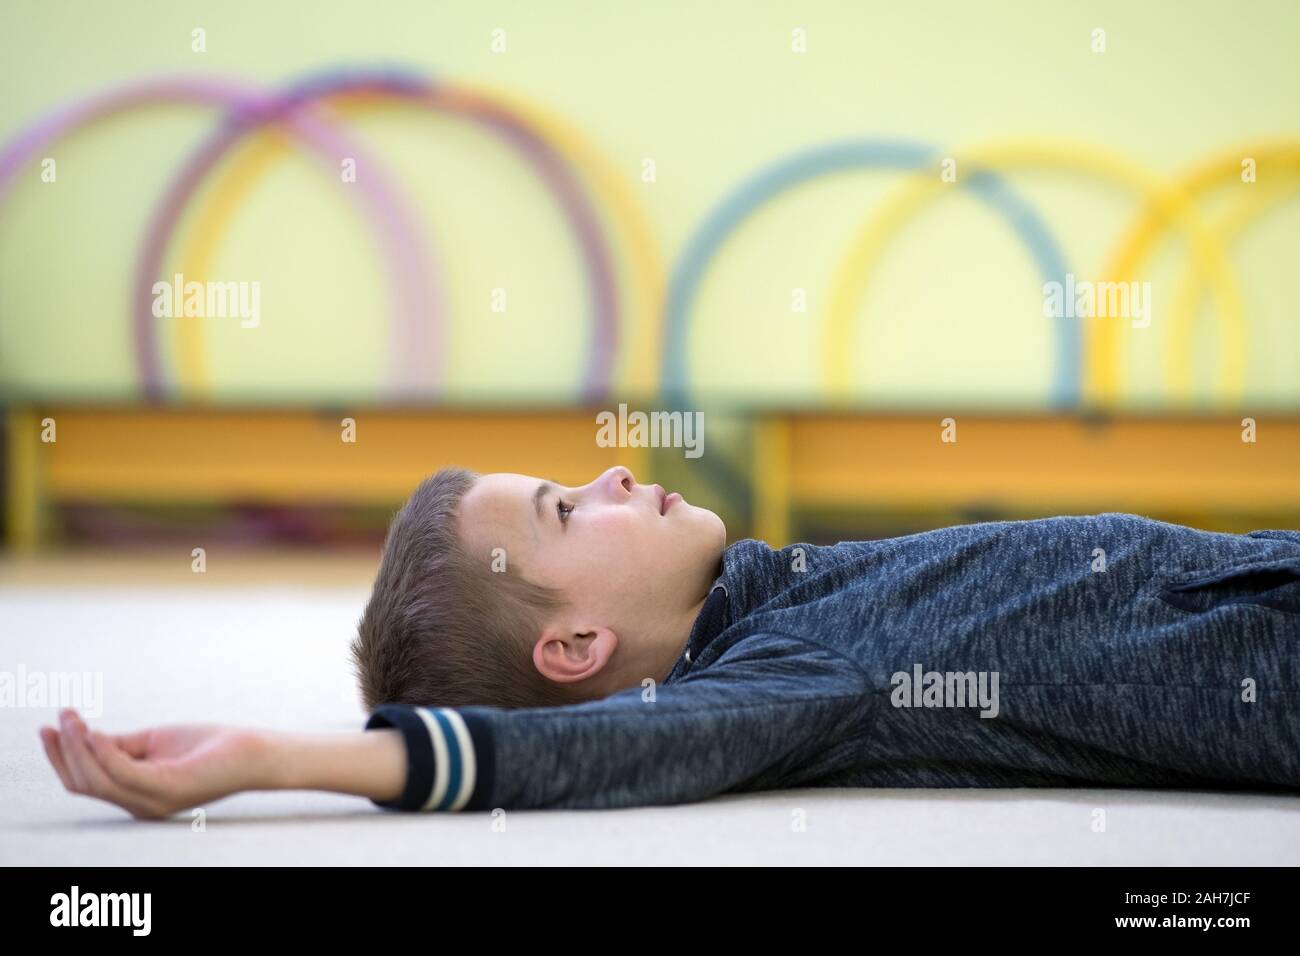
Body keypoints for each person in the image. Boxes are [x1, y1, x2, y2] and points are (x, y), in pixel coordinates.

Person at [40, 465, 1300, 819]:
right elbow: (587, 758)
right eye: (564, 511)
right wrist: (272, 757)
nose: (609, 471)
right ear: (580, 645)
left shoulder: (778, 603)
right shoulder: (790, 673)